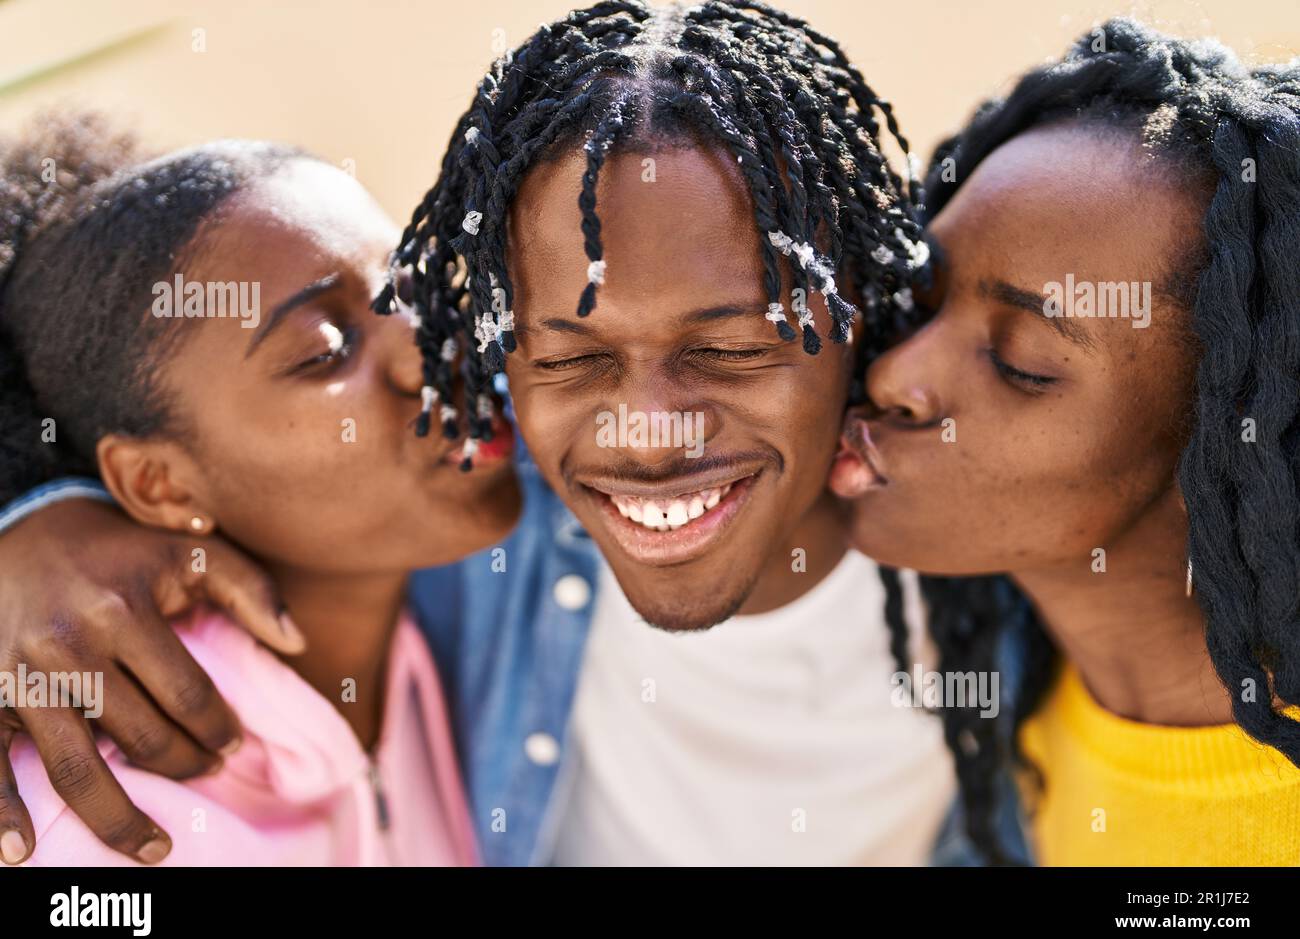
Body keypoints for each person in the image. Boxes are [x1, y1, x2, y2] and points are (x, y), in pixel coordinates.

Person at [0, 1, 974, 866]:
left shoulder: (991, 542)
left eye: (728, 348)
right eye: (568, 353)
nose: (642, 424)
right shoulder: (476, 508)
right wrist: (31, 517)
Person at [830, 18, 1300, 865]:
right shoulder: (999, 696)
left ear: (1233, 452)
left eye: (1021, 366)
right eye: (922, 300)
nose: (897, 373)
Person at [0, 115, 519, 865]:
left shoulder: (416, 661)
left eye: (410, 283)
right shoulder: (81, 826)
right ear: (158, 483)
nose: (430, 346)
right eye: (325, 349)